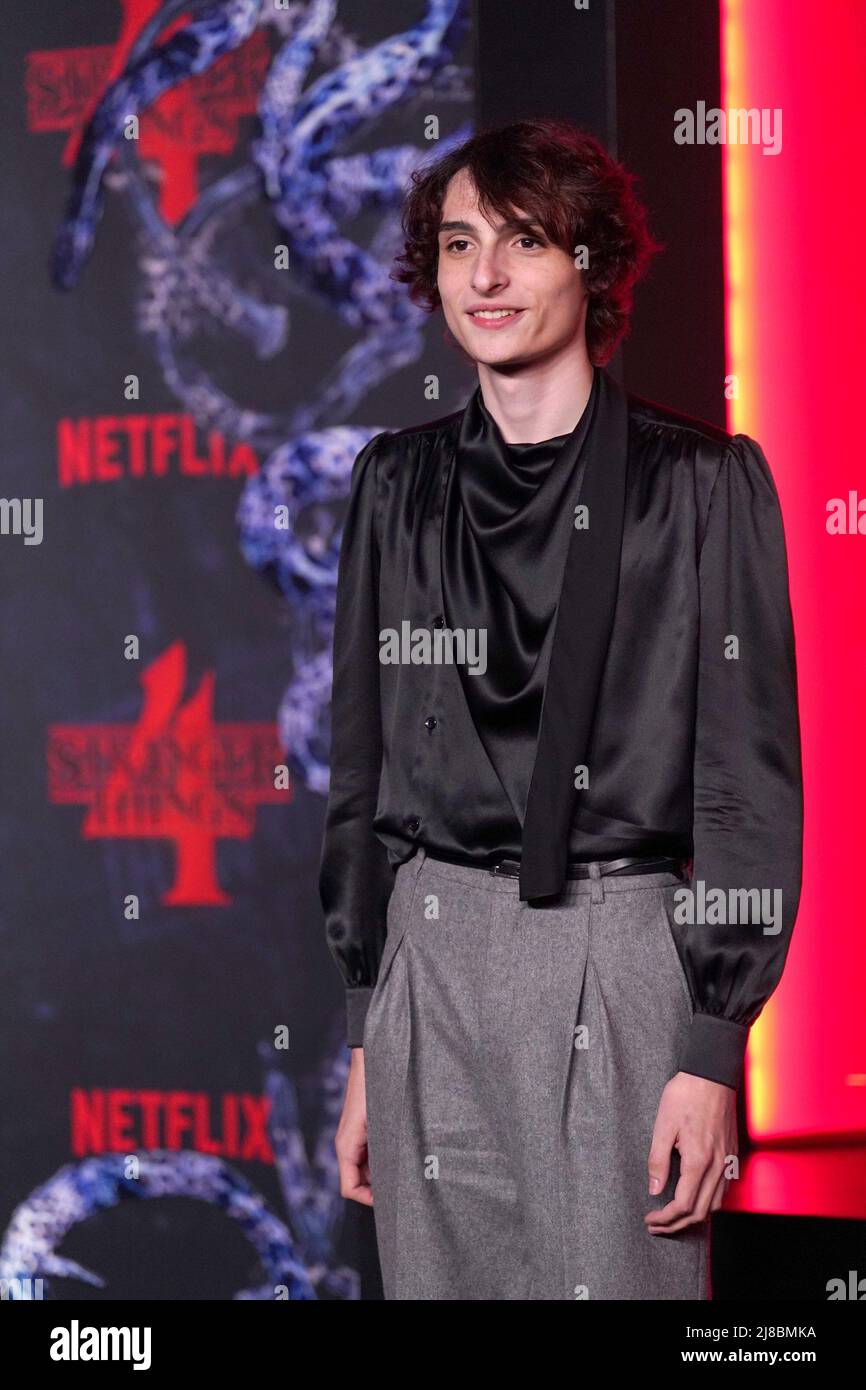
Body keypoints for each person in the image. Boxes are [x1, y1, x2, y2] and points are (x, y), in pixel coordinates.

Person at [318, 118, 803, 1300]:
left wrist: (707, 1048)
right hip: (427, 963)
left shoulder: (697, 484)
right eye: (455, 242)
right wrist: (366, 1028)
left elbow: (744, 781)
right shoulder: (395, 481)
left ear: (589, 263)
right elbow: (364, 772)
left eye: (523, 241)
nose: (483, 276)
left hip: (618, 948)